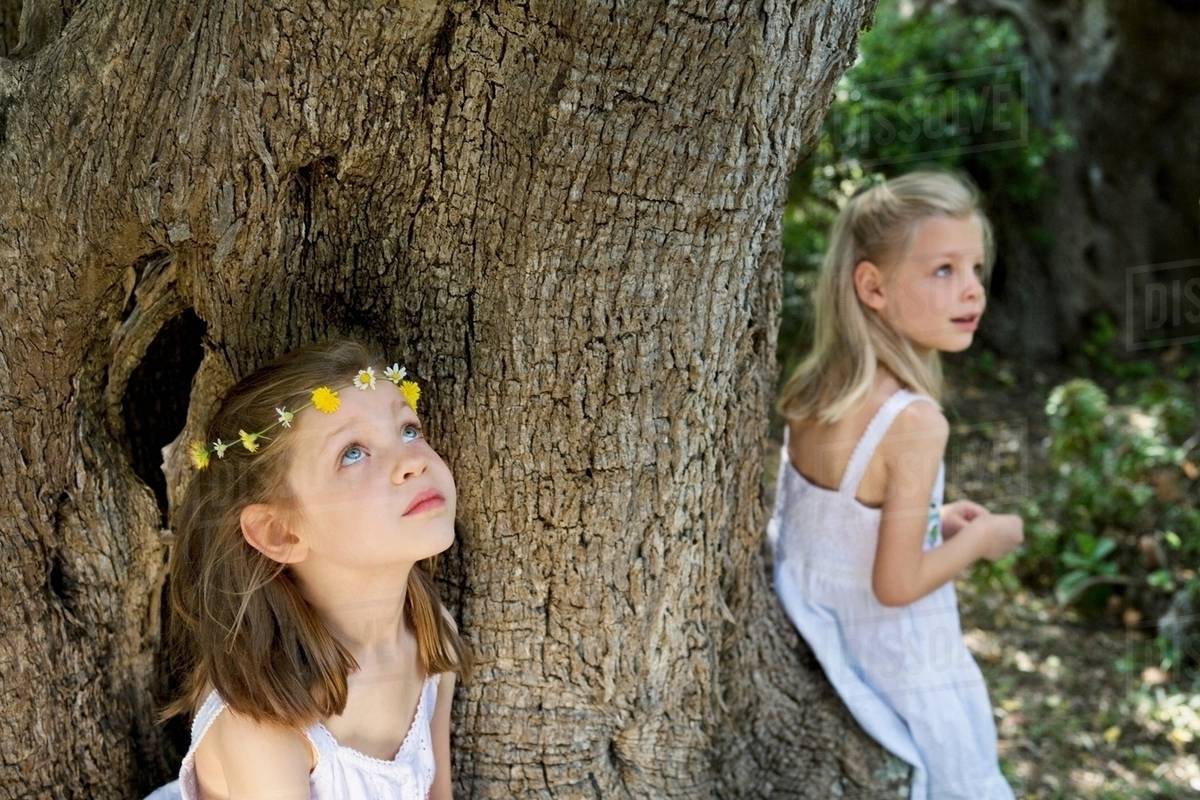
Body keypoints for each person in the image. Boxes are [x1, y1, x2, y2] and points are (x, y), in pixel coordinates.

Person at [768, 170, 1022, 799]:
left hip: (834, 642)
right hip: (907, 673)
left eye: (976, 269)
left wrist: (935, 518)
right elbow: (896, 584)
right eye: (943, 271)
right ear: (872, 286)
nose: (973, 292)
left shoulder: (814, 391)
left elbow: (842, 524)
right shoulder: (914, 422)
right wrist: (985, 538)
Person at [146, 337, 470, 799]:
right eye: (352, 453)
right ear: (281, 533)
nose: (413, 461)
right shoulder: (265, 724)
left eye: (408, 430)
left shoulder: (432, 636)